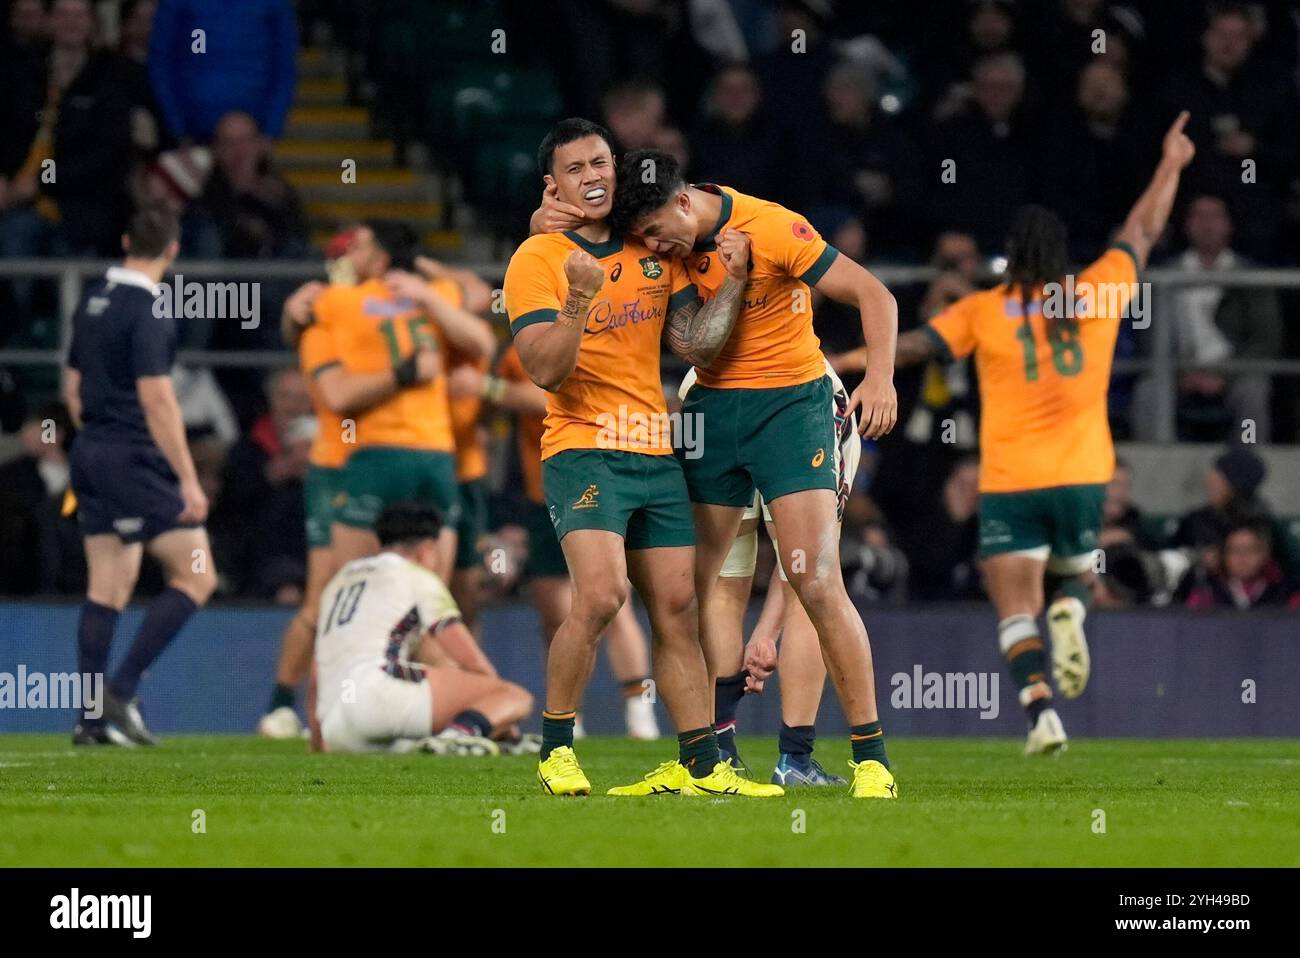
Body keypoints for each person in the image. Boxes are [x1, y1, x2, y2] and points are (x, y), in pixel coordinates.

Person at [893, 112, 1197, 756]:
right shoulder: (1095, 291)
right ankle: (1076, 610)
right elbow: (1141, 229)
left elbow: (918, 347)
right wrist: (1171, 163)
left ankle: (1041, 717)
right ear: (1062, 254)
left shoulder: (982, 309)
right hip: (1086, 474)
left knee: (1013, 606)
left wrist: (841, 362)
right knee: (1074, 577)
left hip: (1011, 479)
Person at [608, 148, 901, 798]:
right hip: (712, 410)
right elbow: (694, 346)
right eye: (644, 239)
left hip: (790, 408)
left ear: (683, 201)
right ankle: (705, 762)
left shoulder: (775, 227)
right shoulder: (680, 251)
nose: (654, 246)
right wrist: (735, 281)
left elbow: (872, 293)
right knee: (692, 591)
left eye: (658, 230)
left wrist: (879, 377)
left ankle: (871, 758)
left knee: (815, 578)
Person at [510, 117, 779, 797]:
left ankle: (701, 767)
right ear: (553, 184)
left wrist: (738, 280)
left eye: (600, 162)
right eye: (575, 169)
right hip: (583, 448)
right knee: (601, 597)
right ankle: (556, 749)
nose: (593, 176)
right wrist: (577, 299)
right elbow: (543, 370)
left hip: (655, 452)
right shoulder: (534, 259)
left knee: (679, 606)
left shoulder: (648, 243)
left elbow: (693, 343)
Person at [62, 207, 218, 746]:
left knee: (109, 583)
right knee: (198, 575)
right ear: (172, 251)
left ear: (127, 240)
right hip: (133, 455)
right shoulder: (149, 309)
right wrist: (188, 479)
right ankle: (121, 691)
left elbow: (73, 385)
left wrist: (95, 440)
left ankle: (89, 720)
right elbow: (157, 398)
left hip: (91, 450)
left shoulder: (92, 299)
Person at [492, 344, 659, 740]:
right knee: (558, 611)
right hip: (543, 489)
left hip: (603, 479)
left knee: (612, 600)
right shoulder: (525, 341)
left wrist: (487, 388)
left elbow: (550, 395)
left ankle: (640, 715)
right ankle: (571, 719)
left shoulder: (608, 330)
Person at [314, 501, 533, 754]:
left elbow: (317, 673)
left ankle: (453, 735)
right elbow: (475, 665)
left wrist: (317, 743)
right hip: (376, 698)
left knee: (409, 737)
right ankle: (456, 737)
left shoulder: (339, 582)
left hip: (335, 722)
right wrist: (501, 719)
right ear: (428, 547)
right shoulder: (417, 576)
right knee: (515, 697)